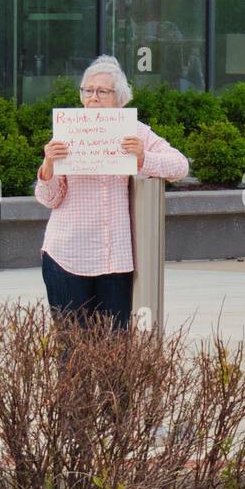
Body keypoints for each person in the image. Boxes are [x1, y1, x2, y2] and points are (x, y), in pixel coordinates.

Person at [35, 55, 189, 329]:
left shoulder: (135, 132)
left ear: (119, 97)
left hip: (114, 258)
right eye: (87, 90)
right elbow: (50, 198)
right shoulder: (69, 130)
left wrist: (143, 158)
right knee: (72, 349)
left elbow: (180, 166)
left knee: (115, 348)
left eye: (102, 91)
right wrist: (48, 165)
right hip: (67, 255)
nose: (93, 97)